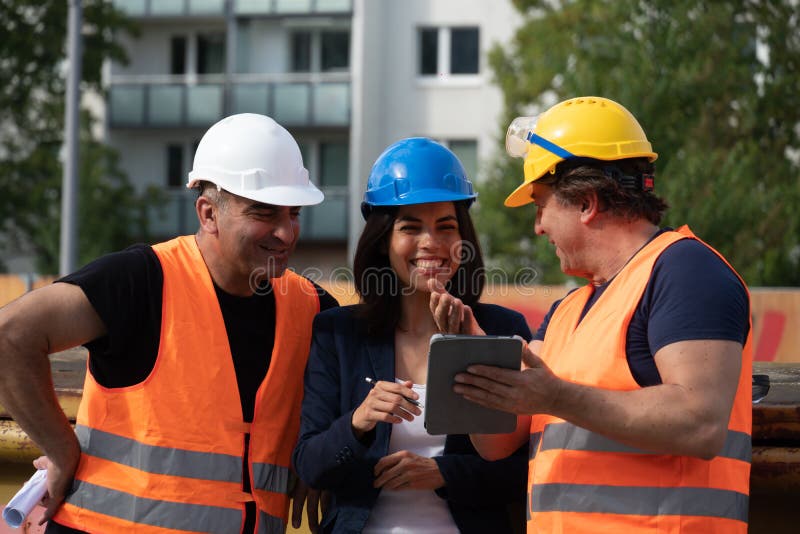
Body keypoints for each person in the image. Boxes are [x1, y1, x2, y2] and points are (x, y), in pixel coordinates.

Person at [0, 113, 338, 534]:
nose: (286, 233)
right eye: (265, 213)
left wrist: (319, 455)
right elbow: (10, 336)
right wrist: (61, 448)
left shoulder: (312, 308)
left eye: (294, 213)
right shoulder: (143, 281)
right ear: (208, 212)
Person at [454, 97, 753, 533]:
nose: (537, 226)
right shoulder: (567, 312)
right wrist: (471, 353)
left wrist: (555, 396)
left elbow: (700, 422)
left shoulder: (686, 270)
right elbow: (497, 445)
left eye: (541, 205)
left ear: (586, 203)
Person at [291, 138, 532, 533]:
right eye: (410, 227)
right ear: (383, 241)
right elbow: (311, 465)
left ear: (464, 242)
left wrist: (444, 473)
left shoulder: (504, 330)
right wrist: (358, 420)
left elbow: (525, 466)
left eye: (445, 227)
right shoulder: (339, 334)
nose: (430, 243)